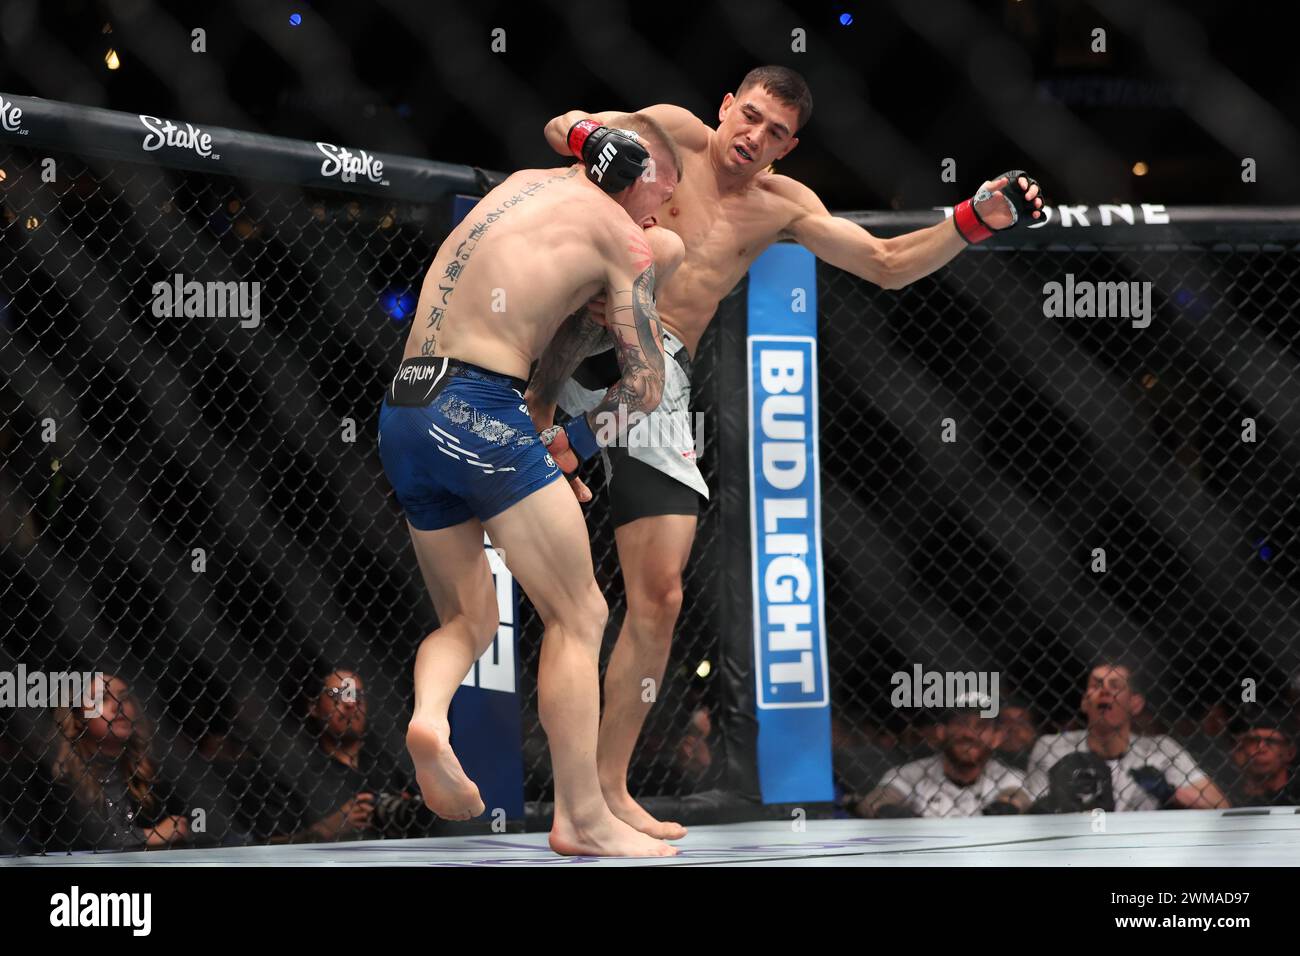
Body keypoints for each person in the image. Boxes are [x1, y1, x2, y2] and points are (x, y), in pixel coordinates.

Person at [527, 65, 1044, 839]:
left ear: (789, 147)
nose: (754, 137)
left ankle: (603, 792)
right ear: (726, 105)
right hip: (572, 323)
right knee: (512, 580)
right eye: (752, 117)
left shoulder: (783, 207)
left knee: (659, 595)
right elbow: (559, 125)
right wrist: (590, 140)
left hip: (657, 375)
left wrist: (975, 218)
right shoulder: (670, 130)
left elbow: (888, 265)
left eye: (775, 133)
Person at [377, 112, 685, 856]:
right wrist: (572, 444)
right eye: (662, 196)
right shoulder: (627, 239)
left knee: (468, 621)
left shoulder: (519, 186)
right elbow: (645, 388)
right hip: (478, 406)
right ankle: (580, 817)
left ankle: (428, 715)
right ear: (640, 176)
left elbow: (558, 127)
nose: (661, 215)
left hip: (404, 407)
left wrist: (584, 136)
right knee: (579, 613)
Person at [1024, 661, 1229, 811]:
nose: (1104, 691)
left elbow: (1220, 805)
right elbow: (1033, 808)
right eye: (1096, 685)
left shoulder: (1161, 749)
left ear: (1135, 703)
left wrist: (1170, 793)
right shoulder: (1052, 746)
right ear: (1085, 702)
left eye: (1114, 686)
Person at [852, 696, 1029, 818]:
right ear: (941, 732)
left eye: (981, 726)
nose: (968, 733)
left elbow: (1016, 795)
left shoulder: (1006, 776)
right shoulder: (913, 773)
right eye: (961, 723)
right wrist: (888, 810)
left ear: (996, 738)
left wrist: (1007, 806)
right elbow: (877, 799)